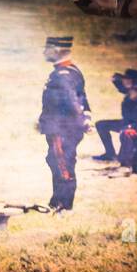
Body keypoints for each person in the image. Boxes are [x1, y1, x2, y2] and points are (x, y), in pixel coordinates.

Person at [39, 35, 90, 212]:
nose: (45, 52)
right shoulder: (73, 71)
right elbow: (83, 98)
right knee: (57, 161)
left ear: (58, 50)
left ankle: (64, 206)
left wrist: (82, 120)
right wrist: (86, 119)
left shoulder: (63, 75)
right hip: (62, 128)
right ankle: (57, 202)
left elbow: (72, 101)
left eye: (48, 48)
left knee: (63, 165)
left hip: (62, 129)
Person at [95, 68, 137, 162]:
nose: (124, 81)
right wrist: (116, 79)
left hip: (136, 125)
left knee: (124, 131)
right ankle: (110, 154)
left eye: (127, 79)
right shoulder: (130, 89)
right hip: (126, 122)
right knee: (101, 125)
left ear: (133, 81)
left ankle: (125, 156)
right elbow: (120, 87)